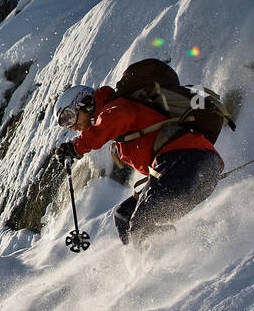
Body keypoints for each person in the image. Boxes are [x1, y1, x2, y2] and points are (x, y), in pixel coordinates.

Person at [52, 62, 224, 246]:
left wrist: (76, 147)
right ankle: (145, 262)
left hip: (186, 160)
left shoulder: (116, 108)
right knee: (124, 216)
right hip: (191, 170)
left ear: (85, 103)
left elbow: (111, 122)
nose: (72, 126)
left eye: (69, 116)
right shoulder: (117, 130)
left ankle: (162, 265)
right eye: (65, 124)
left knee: (141, 224)